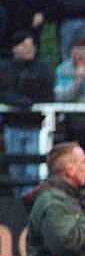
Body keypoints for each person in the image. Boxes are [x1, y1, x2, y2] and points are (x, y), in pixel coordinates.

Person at [0, 28, 54, 196]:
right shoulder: (5, 69)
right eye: (23, 45)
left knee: (33, 170)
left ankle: (30, 200)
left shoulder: (42, 69)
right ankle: (18, 201)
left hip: (34, 126)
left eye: (31, 46)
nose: (28, 49)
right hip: (13, 125)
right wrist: (22, 102)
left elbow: (45, 93)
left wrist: (25, 101)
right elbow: (3, 93)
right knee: (16, 169)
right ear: (15, 48)